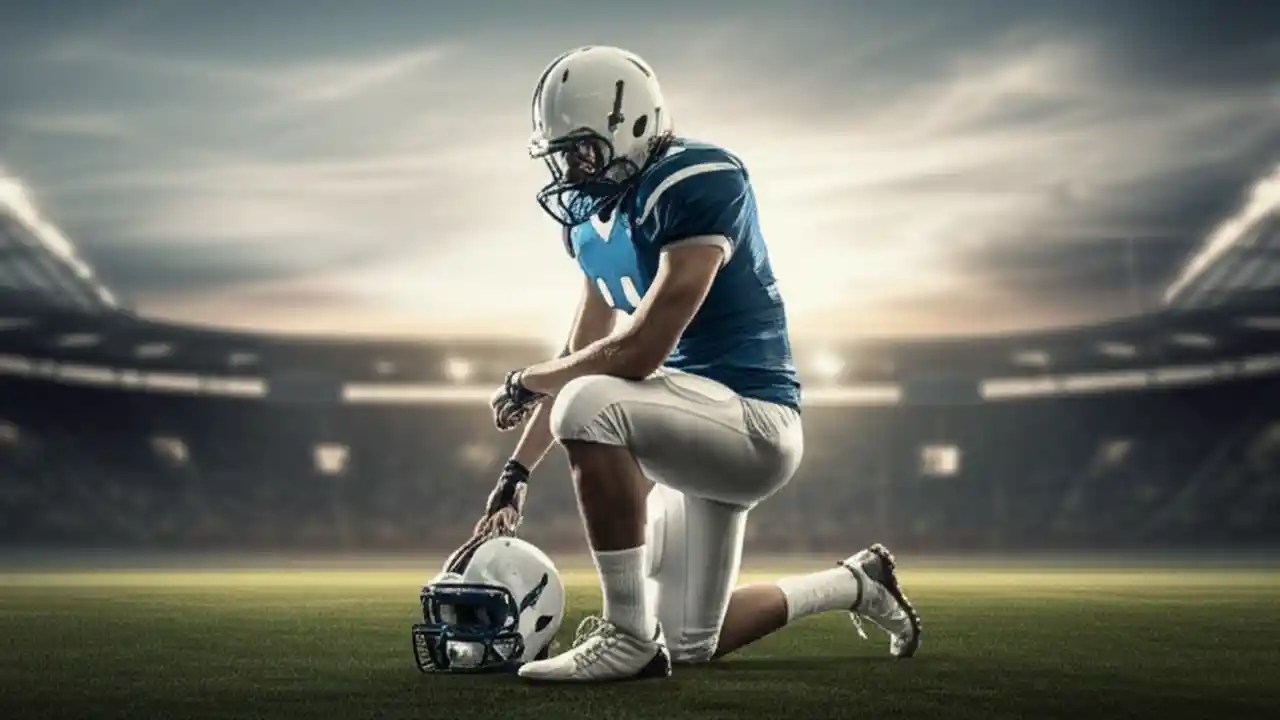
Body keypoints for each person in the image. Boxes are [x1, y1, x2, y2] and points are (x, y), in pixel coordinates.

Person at [474, 46, 921, 683]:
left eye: (583, 149)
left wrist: (526, 380)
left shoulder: (698, 179)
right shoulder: (592, 221)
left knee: (586, 403)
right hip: (689, 427)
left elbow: (637, 353)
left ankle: (626, 637)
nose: (571, 168)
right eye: (562, 153)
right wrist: (516, 471)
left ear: (629, 125)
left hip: (752, 422)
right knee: (690, 643)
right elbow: (576, 357)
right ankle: (859, 583)